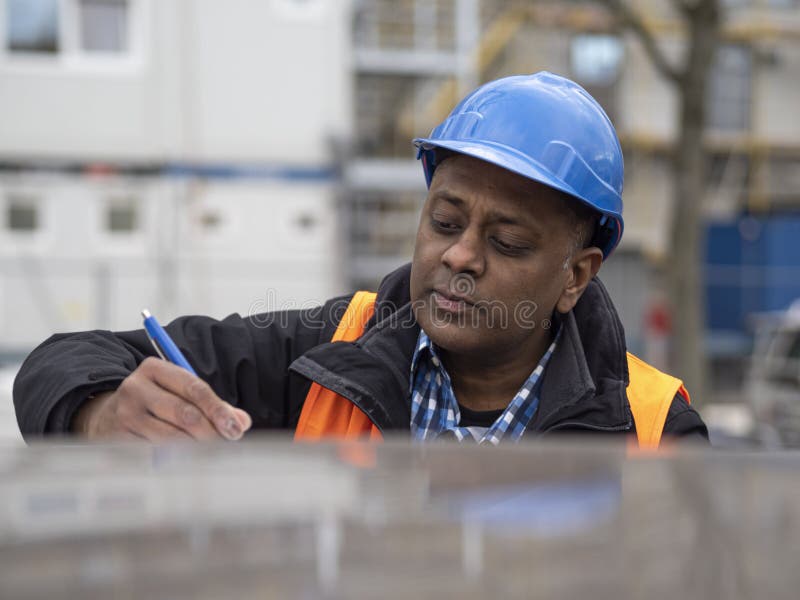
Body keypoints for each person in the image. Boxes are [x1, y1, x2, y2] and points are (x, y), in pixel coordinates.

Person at [13, 72, 707, 446]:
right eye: (444, 220)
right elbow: (63, 359)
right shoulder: (327, 351)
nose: (459, 255)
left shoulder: (653, 428)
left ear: (576, 276)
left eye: (507, 242)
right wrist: (100, 412)